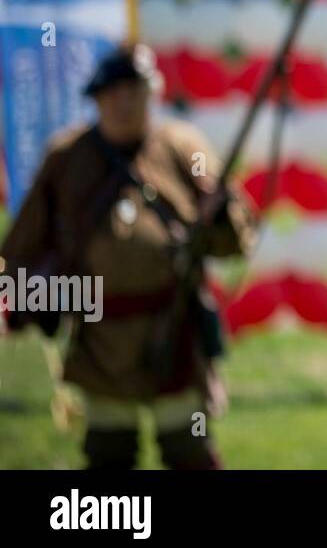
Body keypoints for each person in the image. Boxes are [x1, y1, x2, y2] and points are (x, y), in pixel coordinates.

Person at [0, 44, 256, 469]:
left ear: (150, 93)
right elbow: (24, 243)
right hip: (100, 338)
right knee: (107, 454)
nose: (123, 102)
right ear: (97, 100)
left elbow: (234, 240)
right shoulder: (66, 158)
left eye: (133, 91)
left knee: (189, 450)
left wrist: (220, 212)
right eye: (112, 93)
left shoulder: (183, 146)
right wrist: (16, 303)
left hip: (173, 328)